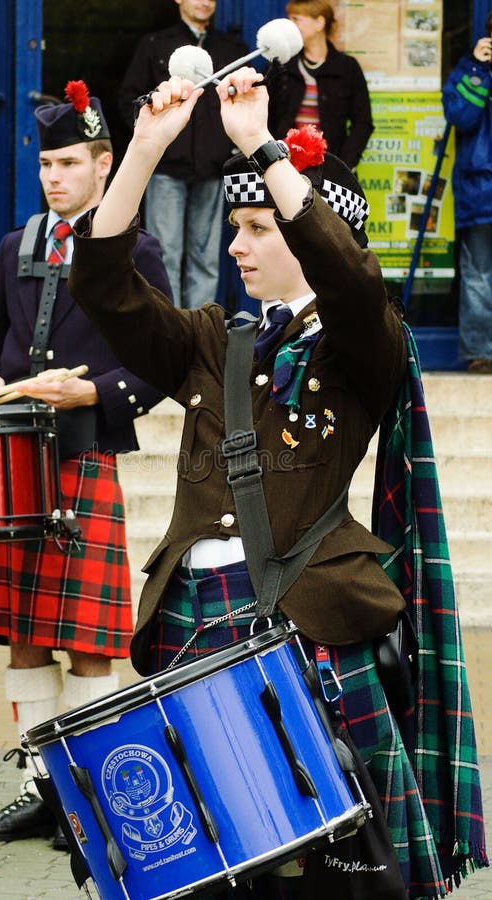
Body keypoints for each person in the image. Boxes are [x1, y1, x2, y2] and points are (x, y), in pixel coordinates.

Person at [68, 69, 486, 897]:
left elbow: (355, 283)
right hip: (192, 621)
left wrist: (263, 145)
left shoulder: (364, 348)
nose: (236, 245)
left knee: (336, 876)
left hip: (312, 624)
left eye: (257, 227)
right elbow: (103, 288)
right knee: (213, 866)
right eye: (235, 226)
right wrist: (145, 148)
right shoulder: (211, 339)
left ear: (305, 236)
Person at [0, 81, 172, 850]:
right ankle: (40, 788)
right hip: (7, 465)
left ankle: (93, 796)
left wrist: (92, 393)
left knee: (91, 640)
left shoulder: (136, 251)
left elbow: (166, 364)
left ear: (106, 165)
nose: (53, 177)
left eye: (69, 162)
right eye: (45, 163)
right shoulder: (17, 243)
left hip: (81, 458)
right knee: (25, 633)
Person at [118, 0, 247, 309]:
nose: (204, 2)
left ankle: (201, 334)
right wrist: (154, 143)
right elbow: (129, 99)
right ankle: (170, 331)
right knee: (165, 255)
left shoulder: (230, 47)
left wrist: (223, 146)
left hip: (212, 168)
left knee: (206, 259)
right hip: (166, 170)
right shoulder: (155, 44)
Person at [265, 0, 372, 171]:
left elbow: (362, 122)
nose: (290, 26)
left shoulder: (347, 67)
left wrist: (344, 164)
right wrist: (270, 160)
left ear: (319, 23)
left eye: (296, 19)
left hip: (330, 167)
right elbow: (264, 114)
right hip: (284, 166)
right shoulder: (281, 64)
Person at [442, 10, 492, 374]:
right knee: (479, 274)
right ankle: (482, 353)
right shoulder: (470, 70)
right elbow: (461, 116)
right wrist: (477, 69)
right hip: (482, 187)